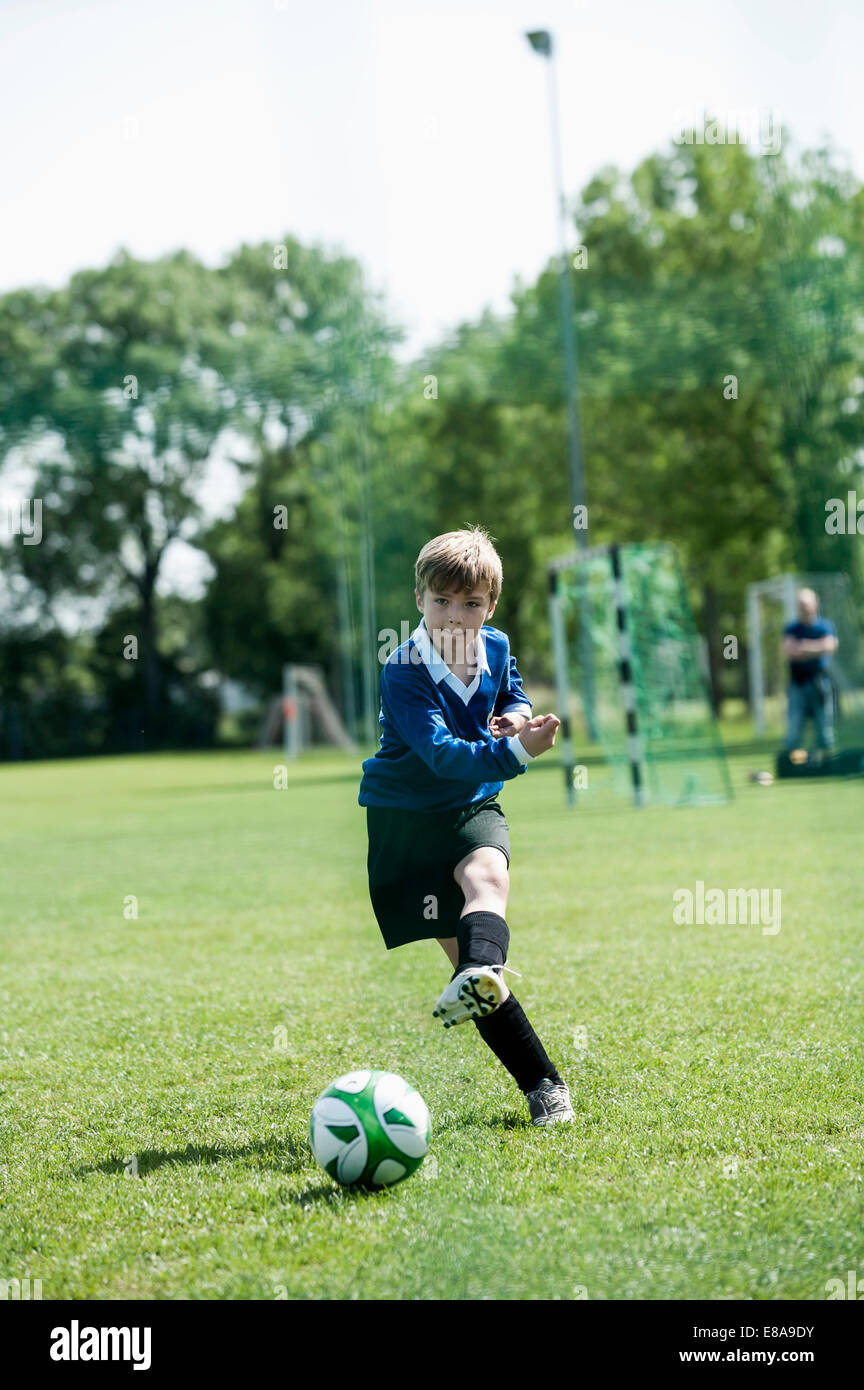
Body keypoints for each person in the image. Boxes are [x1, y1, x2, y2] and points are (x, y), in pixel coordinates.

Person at [358, 527, 574, 1126]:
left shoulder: (497, 646)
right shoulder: (403, 670)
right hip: (404, 826)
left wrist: (515, 717)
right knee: (473, 974)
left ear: (491, 607)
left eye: (471, 603)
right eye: (442, 601)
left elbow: (512, 691)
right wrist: (521, 752)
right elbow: (445, 754)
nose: (456, 616)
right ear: (420, 601)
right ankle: (532, 1064)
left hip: (471, 805)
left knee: (488, 878)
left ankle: (547, 1094)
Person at [782, 588, 838, 761]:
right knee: (794, 726)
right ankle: (793, 763)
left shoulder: (826, 626)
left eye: (806, 605)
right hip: (798, 684)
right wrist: (817, 647)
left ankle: (826, 760)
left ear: (815, 604)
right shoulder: (792, 628)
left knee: (824, 726)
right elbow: (790, 651)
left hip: (821, 682)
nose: (804, 608)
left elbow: (830, 646)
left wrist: (804, 646)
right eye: (801, 605)